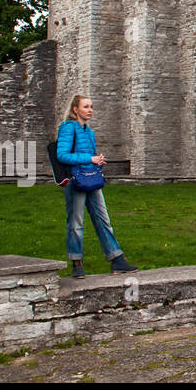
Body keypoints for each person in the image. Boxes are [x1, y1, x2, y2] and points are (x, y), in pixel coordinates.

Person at [56, 94, 137, 278]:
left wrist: (97, 161)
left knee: (103, 218)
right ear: (75, 109)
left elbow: (89, 155)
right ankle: (77, 264)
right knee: (76, 222)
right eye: (85, 107)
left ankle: (117, 259)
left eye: (91, 106)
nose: (90, 110)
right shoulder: (68, 128)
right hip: (75, 180)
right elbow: (62, 155)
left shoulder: (89, 131)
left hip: (91, 178)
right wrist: (89, 159)